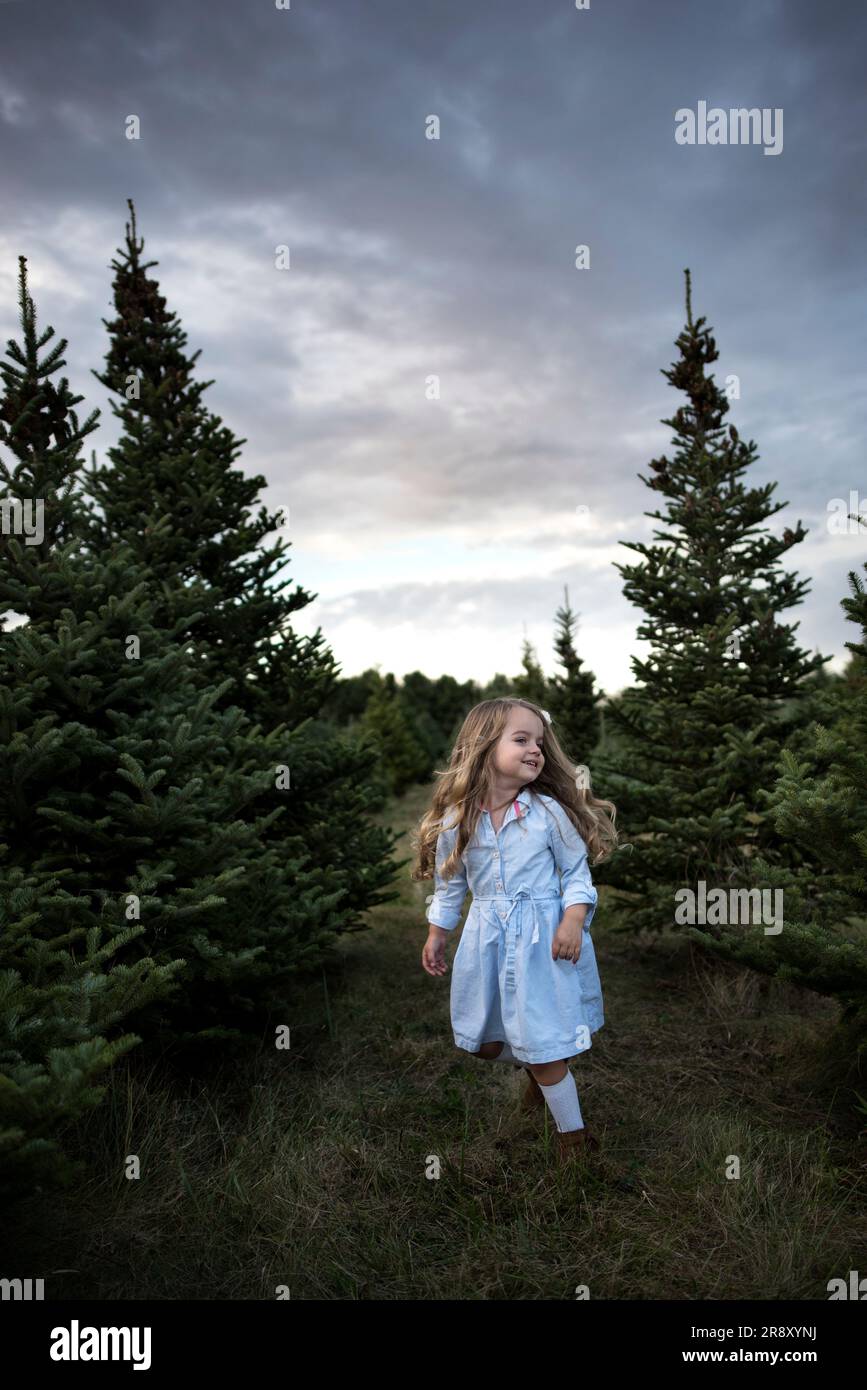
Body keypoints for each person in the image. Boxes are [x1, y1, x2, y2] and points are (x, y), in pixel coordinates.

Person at [411, 697, 619, 1165]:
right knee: (484, 1042)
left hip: (543, 944)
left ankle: (574, 1140)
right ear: (484, 747)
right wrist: (437, 934)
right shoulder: (457, 819)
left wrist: (572, 919)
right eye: (521, 739)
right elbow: (450, 886)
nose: (535, 750)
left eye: (539, 742)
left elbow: (576, 875)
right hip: (487, 940)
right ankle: (541, 1070)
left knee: (543, 1045)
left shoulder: (548, 813)